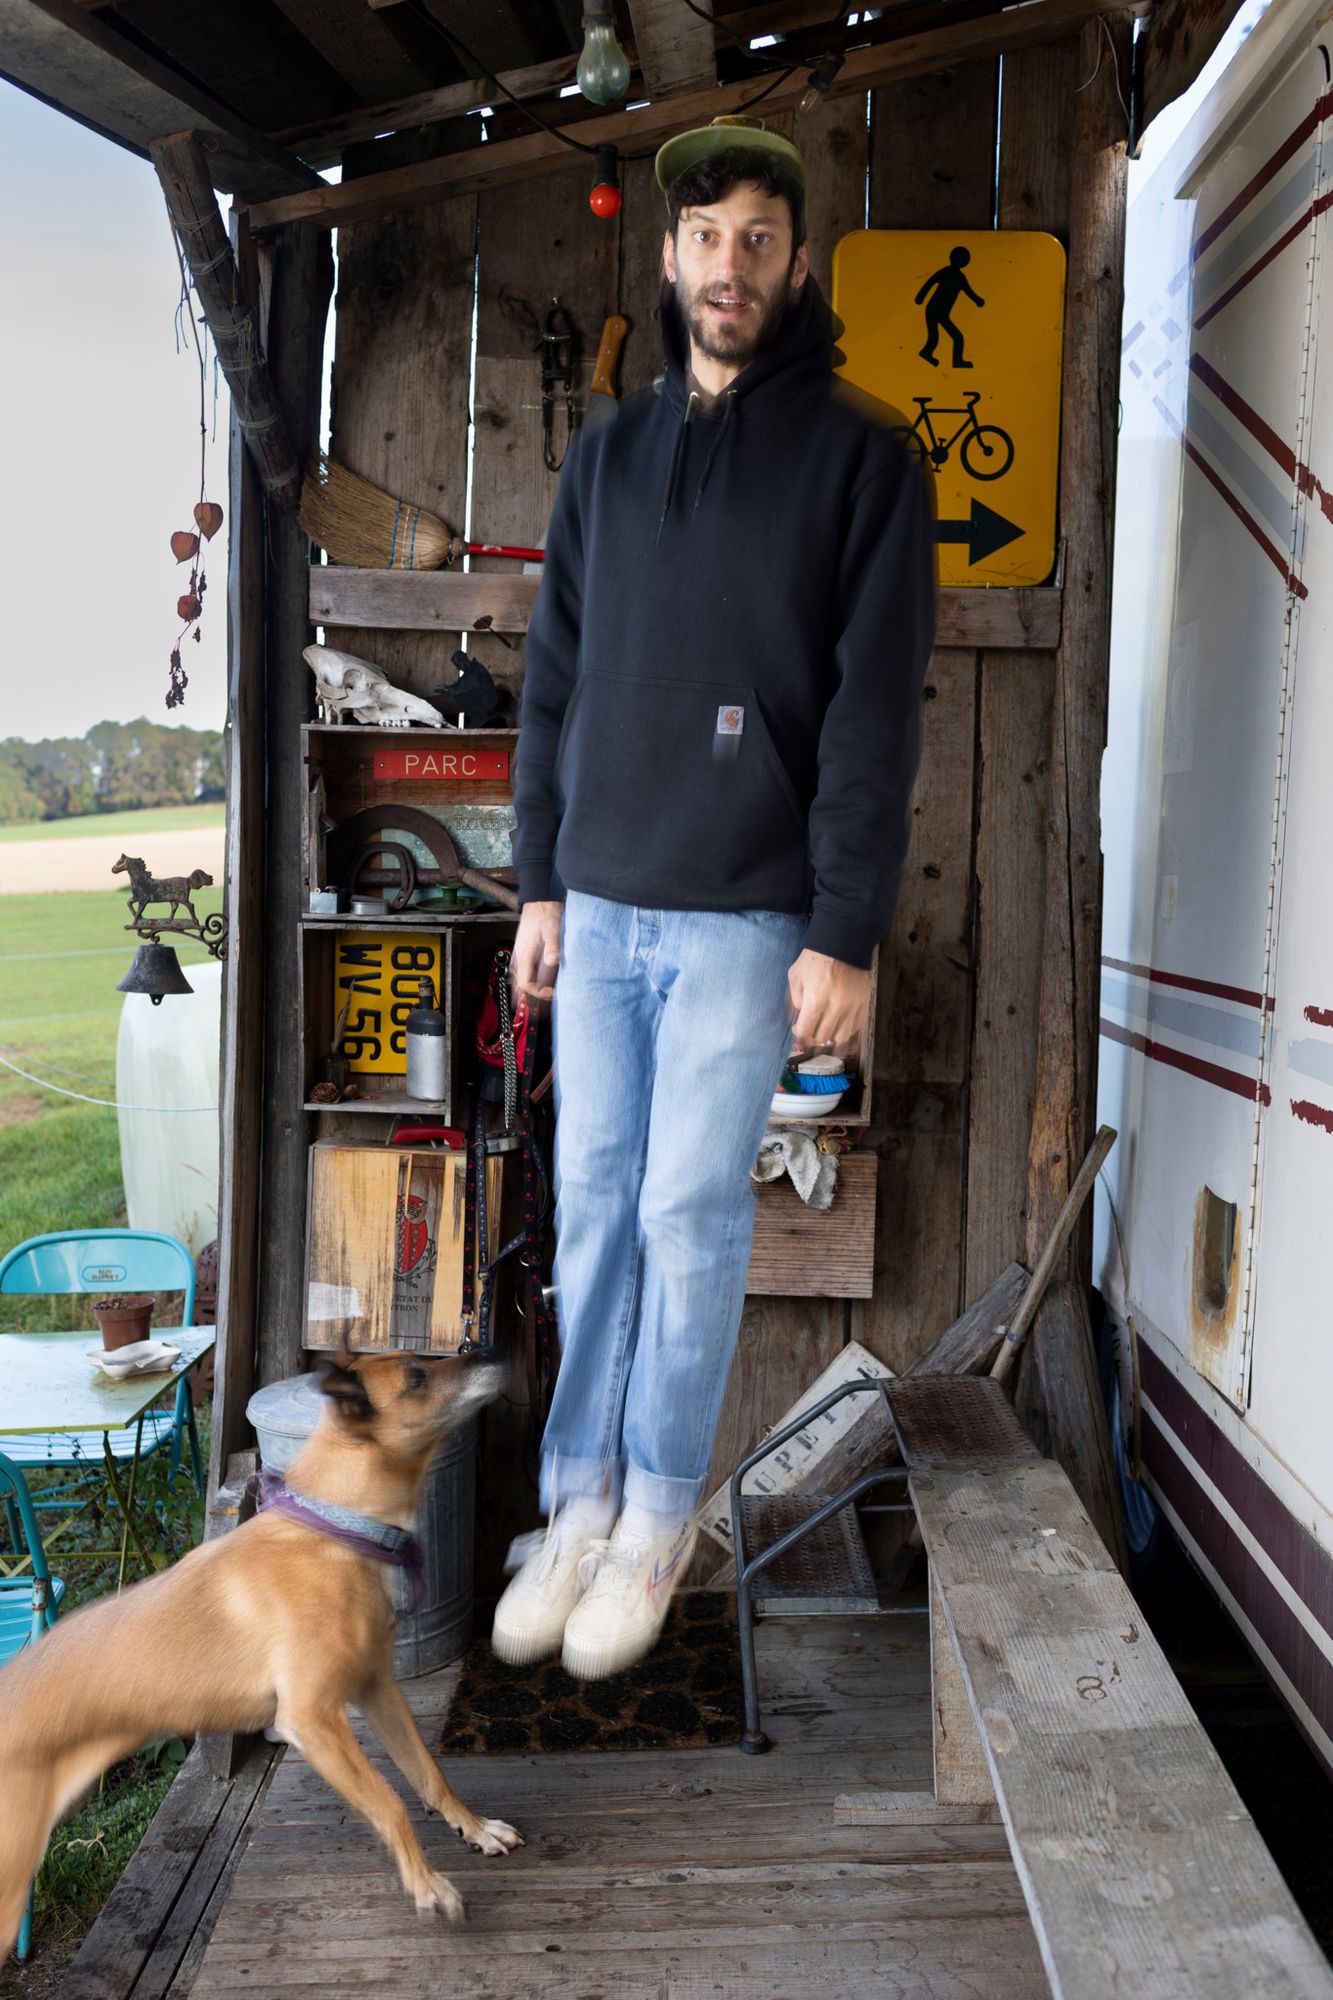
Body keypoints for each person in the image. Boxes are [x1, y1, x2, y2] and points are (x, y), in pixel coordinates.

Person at [491, 115, 936, 1681]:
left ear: (794, 259)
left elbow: (877, 712)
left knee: (688, 1218)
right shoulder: (606, 456)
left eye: (756, 237)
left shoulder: (867, 456)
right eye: (703, 239)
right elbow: (550, 686)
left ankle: (662, 1513)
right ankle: (576, 1504)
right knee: (592, 1208)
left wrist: (845, 930)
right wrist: (537, 886)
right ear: (667, 256)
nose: (727, 265)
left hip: (751, 915)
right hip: (600, 910)